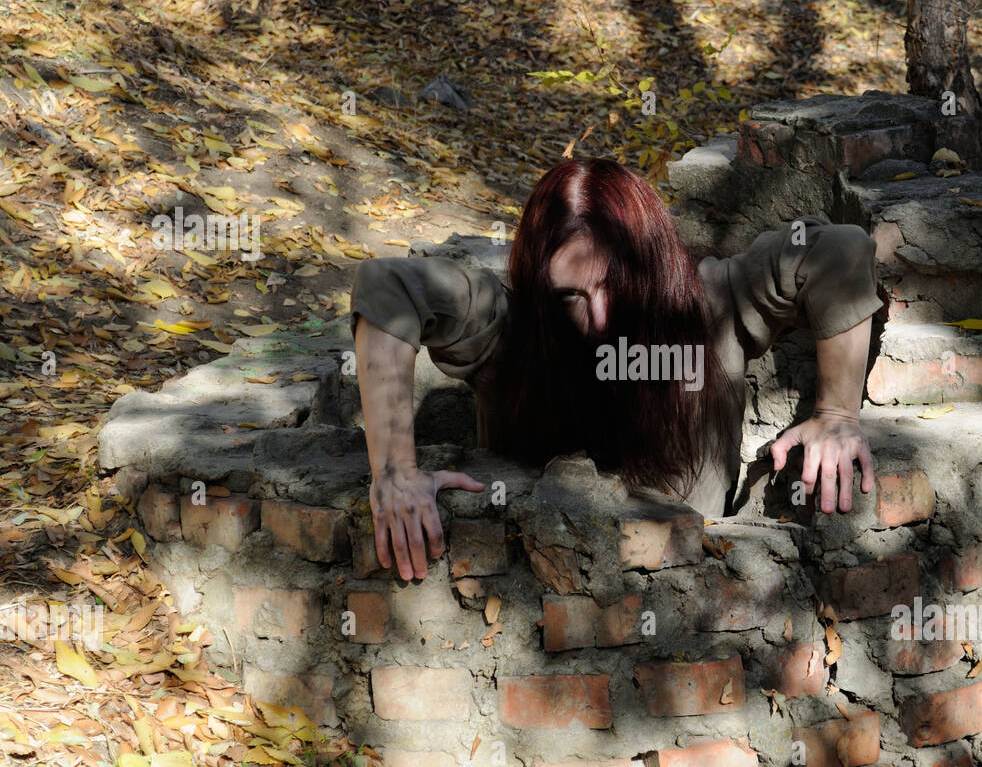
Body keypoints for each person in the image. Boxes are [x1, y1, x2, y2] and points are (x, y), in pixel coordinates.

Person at [350, 157, 884, 580]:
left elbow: (841, 249)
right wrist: (394, 474)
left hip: (701, 598)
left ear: (651, 265)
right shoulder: (511, 325)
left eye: (614, 285)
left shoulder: (711, 300)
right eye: (570, 297)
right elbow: (387, 285)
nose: (600, 319)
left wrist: (837, 413)